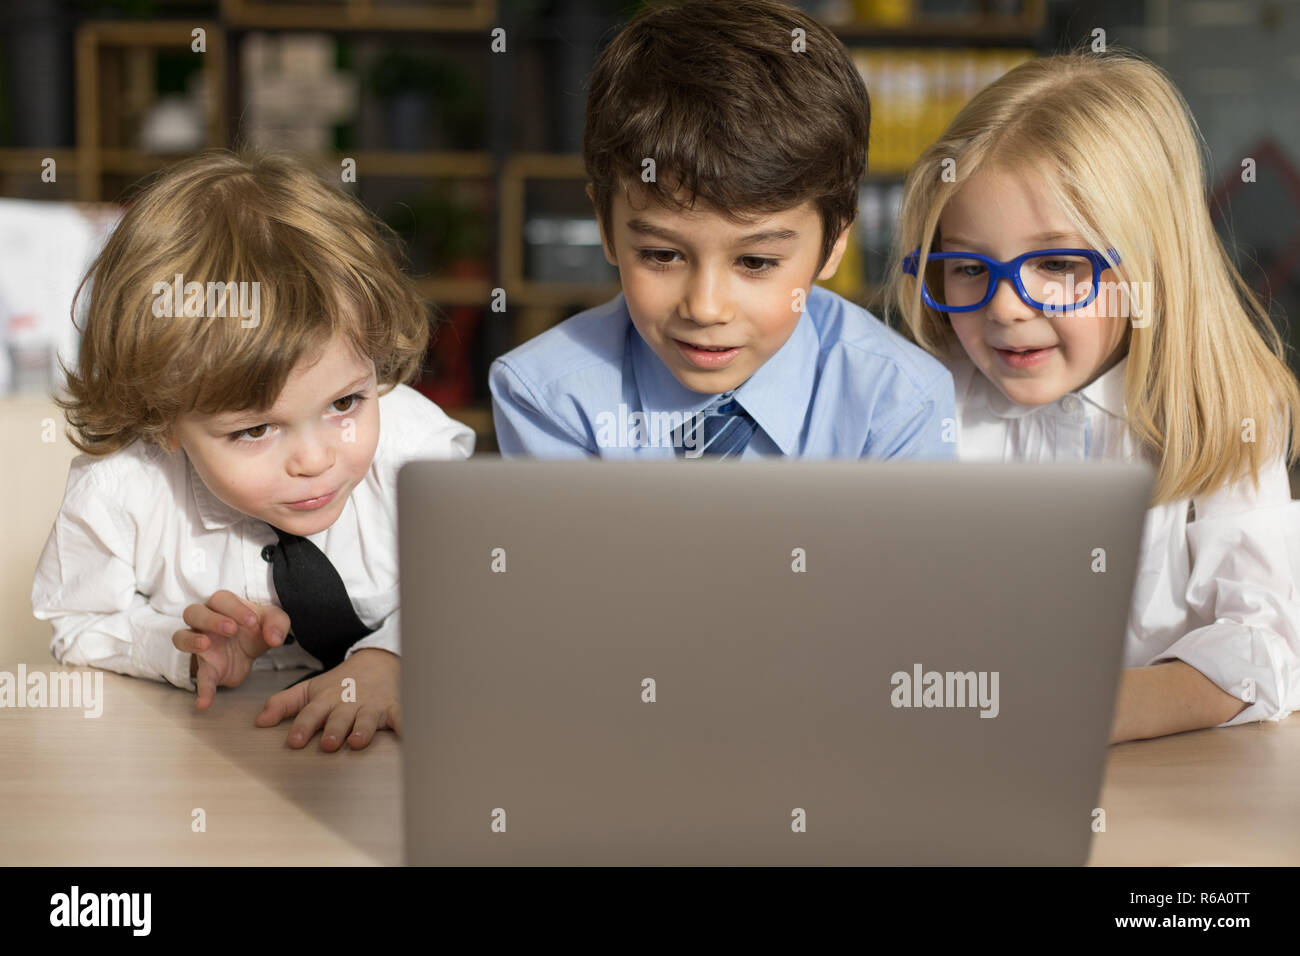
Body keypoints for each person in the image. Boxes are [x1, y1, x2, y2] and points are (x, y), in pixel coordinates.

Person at [887, 49, 1300, 742]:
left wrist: (1070, 712)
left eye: (1057, 263)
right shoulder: (918, 405)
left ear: (1152, 267)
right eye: (965, 267)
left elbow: (1271, 646)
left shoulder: (1223, 417)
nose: (1009, 308)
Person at [31, 150, 474, 751]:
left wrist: (389, 657)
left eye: (345, 404)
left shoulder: (416, 455)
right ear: (161, 417)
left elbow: (473, 587)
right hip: (208, 758)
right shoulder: (121, 491)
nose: (316, 459)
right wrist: (179, 649)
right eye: (255, 431)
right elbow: (79, 624)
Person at [490, 0, 953, 460]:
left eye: (755, 262)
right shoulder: (547, 396)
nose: (705, 309)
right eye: (662, 255)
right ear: (606, 230)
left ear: (834, 243)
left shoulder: (898, 403)